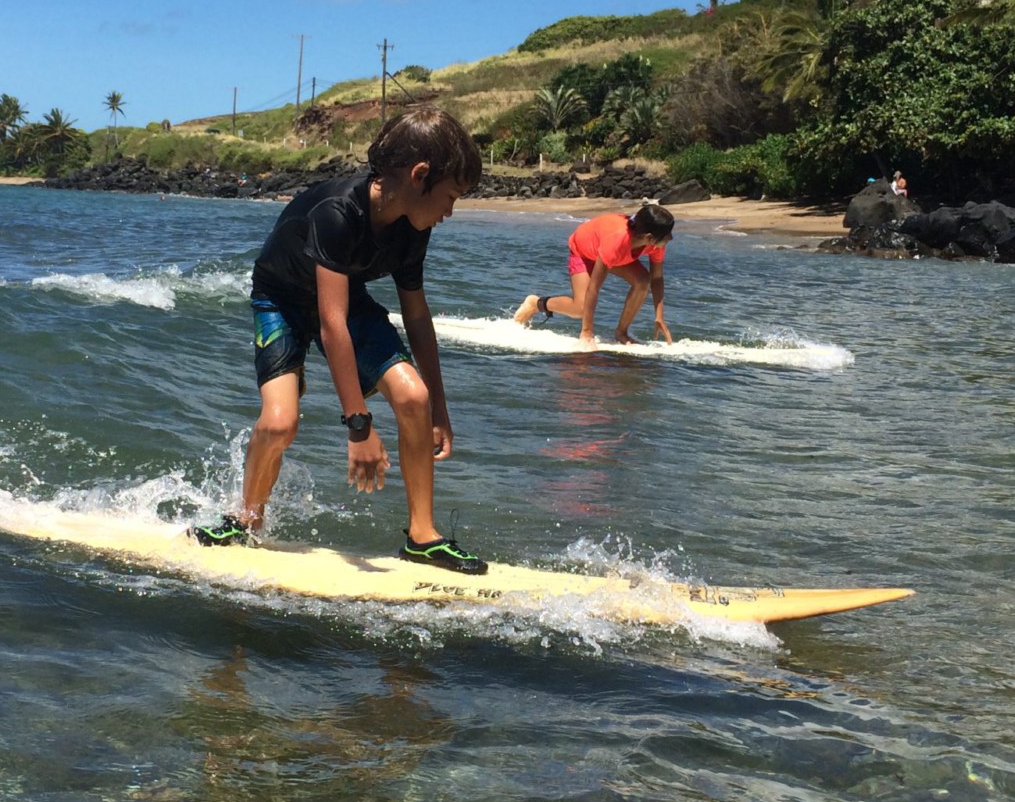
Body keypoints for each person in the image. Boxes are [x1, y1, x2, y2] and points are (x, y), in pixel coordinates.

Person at [195, 104, 486, 575]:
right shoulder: (339, 213)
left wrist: (440, 410)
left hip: (344, 298)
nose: (450, 211)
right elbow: (332, 326)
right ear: (419, 175)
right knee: (279, 424)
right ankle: (244, 519)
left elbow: (417, 315)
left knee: (414, 397)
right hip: (282, 300)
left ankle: (422, 537)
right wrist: (359, 426)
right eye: (451, 196)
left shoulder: (414, 226)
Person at [513, 203, 675, 345]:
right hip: (583, 251)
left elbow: (657, 278)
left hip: (609, 250)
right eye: (668, 234)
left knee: (642, 281)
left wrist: (659, 316)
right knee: (580, 309)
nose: (671, 237)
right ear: (650, 237)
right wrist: (587, 332)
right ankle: (536, 304)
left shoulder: (656, 245)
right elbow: (594, 288)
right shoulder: (617, 242)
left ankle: (621, 333)